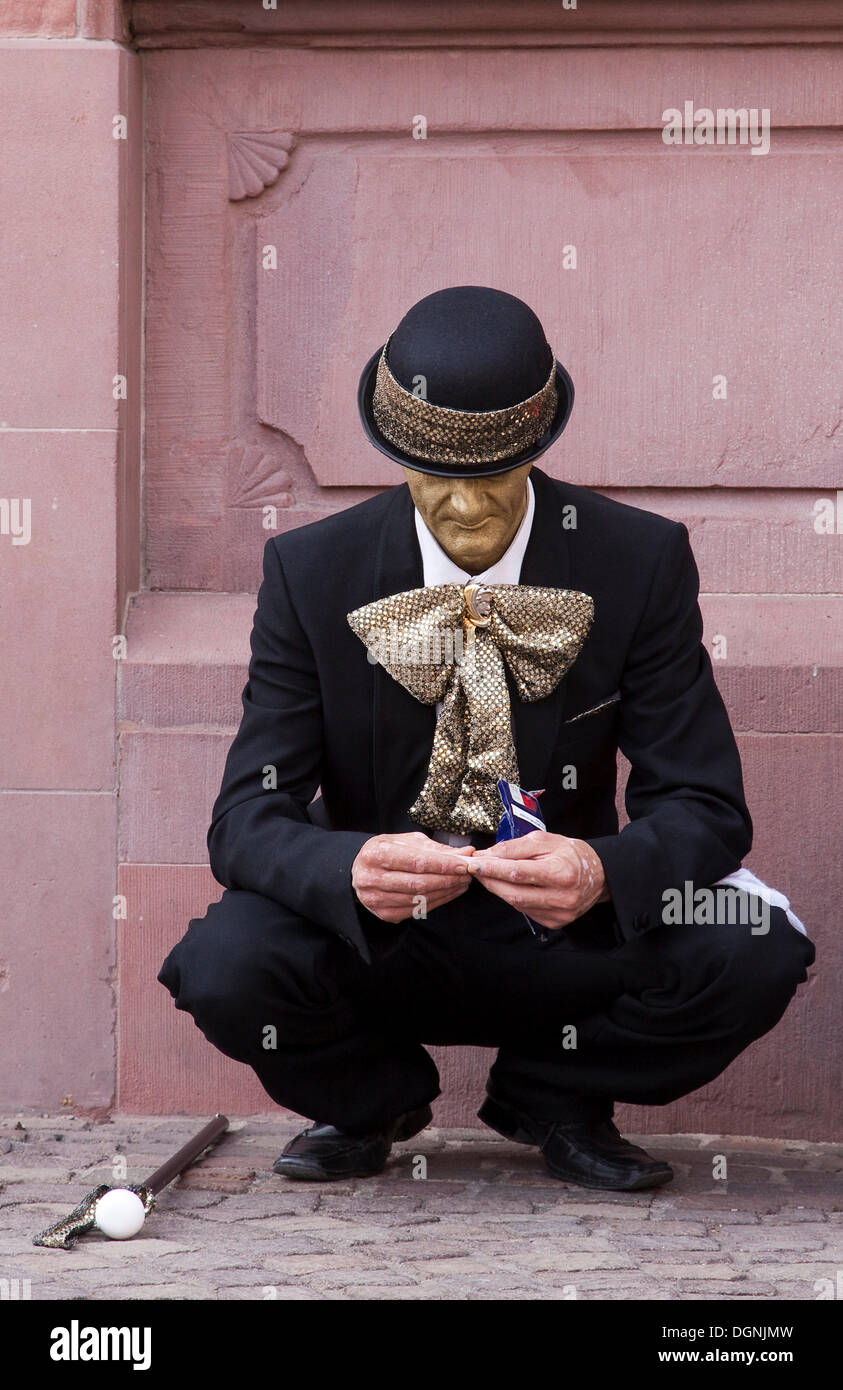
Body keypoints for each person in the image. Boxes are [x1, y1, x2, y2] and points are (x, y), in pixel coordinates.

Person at [158, 286, 814, 1191]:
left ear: (537, 449)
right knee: (223, 964)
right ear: (396, 458)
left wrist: (600, 873)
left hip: (565, 936)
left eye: (493, 478)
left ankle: (555, 1095)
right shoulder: (310, 573)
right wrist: (345, 870)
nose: (465, 510)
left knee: (752, 946)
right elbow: (244, 819)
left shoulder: (638, 560)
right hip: (381, 938)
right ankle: (369, 1101)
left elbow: (704, 805)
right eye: (436, 480)